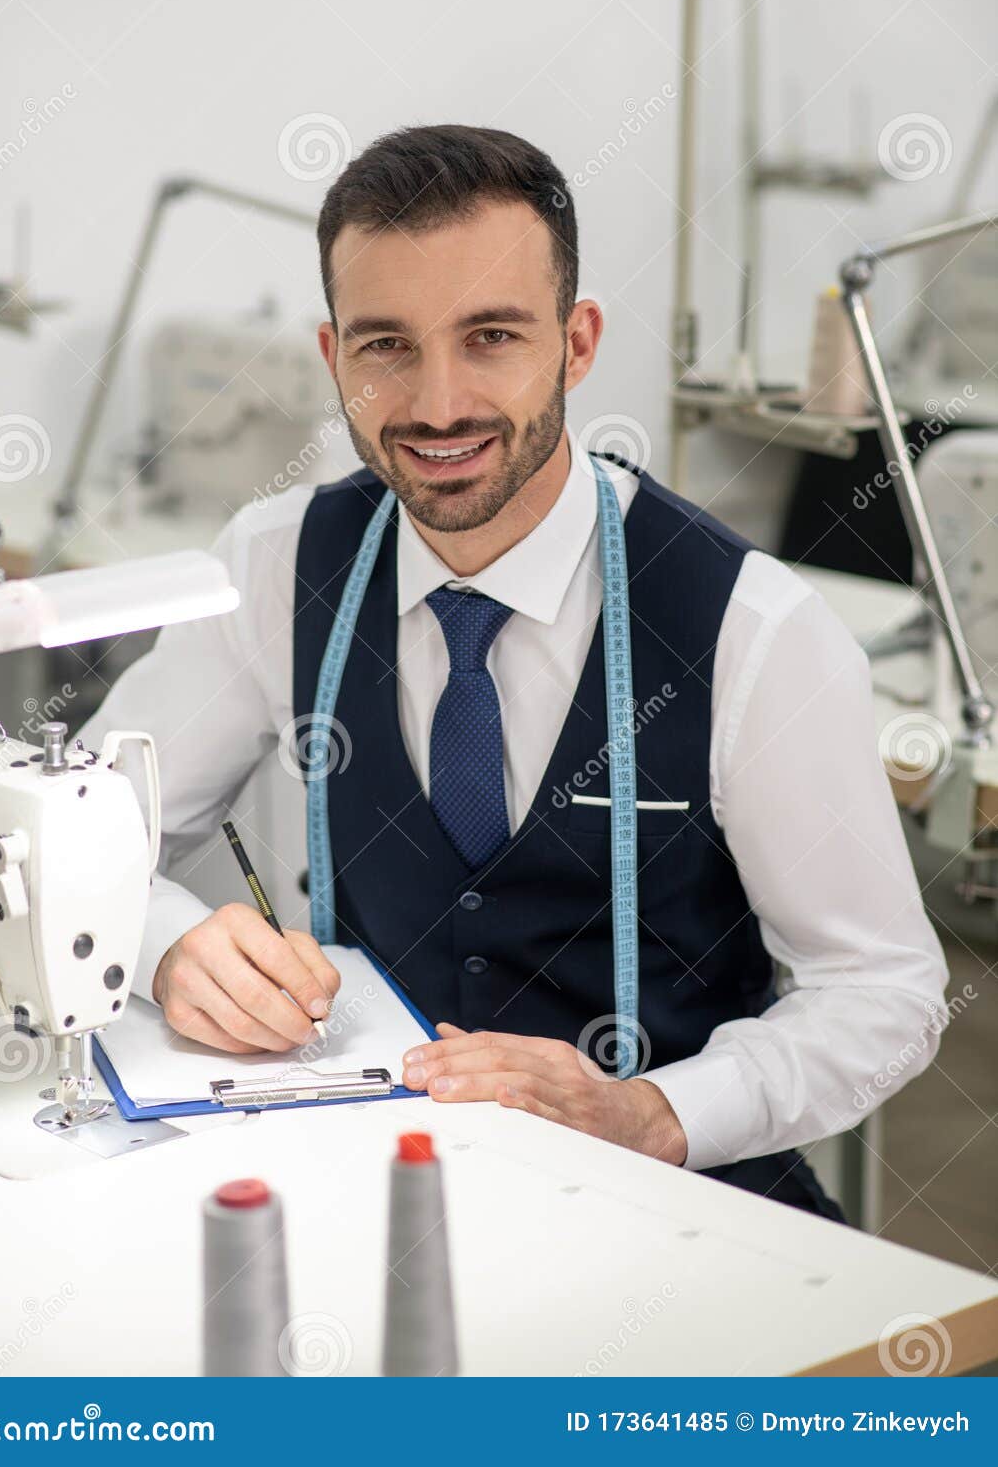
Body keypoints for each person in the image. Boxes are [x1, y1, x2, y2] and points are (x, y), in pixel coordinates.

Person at [82, 123, 948, 1218]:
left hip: (682, 1201)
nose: (438, 403)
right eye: (385, 344)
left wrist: (656, 1113)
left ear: (576, 344)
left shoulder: (751, 628)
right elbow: (78, 830)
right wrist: (164, 944)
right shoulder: (273, 566)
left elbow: (884, 992)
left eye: (489, 335)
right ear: (331, 355)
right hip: (386, 1184)